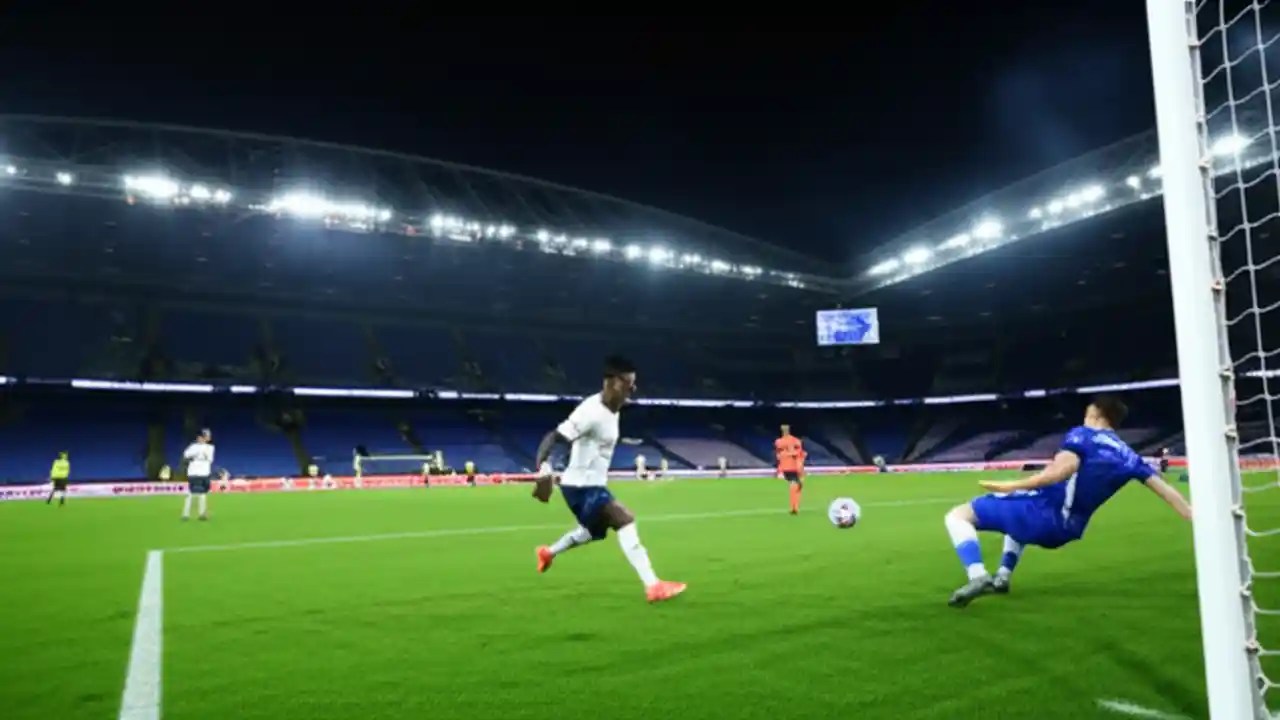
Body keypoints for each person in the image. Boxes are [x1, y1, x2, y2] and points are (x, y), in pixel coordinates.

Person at [943, 395, 1193, 608]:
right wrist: (1196, 516)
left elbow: (1060, 471)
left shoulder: (1084, 435)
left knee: (958, 516)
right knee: (1016, 515)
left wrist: (1013, 485)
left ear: (1094, 414)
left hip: (1044, 514)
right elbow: (1168, 493)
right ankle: (1003, 576)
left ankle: (978, 575)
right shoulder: (1131, 457)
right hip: (1068, 529)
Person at [531, 355, 686, 603]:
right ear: (612, 382)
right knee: (624, 518)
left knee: (591, 532)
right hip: (581, 487)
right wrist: (544, 468)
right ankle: (654, 586)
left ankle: (548, 553)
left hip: (590, 486)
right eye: (628, 383)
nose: (632, 389)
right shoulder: (590, 412)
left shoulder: (613, 411)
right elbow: (555, 437)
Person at [181, 429, 215, 521]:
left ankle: (202, 513)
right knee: (191, 493)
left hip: (205, 472)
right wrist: (196, 453)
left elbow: (210, 459)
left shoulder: (210, 448)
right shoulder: (193, 446)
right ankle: (186, 514)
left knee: (203, 493)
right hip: (194, 472)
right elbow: (186, 455)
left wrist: (201, 453)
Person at [775, 424, 806, 514]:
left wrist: (779, 468)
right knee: (796, 484)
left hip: (786, 467)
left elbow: (778, 455)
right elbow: (799, 453)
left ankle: (794, 506)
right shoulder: (796, 441)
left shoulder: (778, 442)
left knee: (796, 484)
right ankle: (794, 507)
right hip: (794, 466)